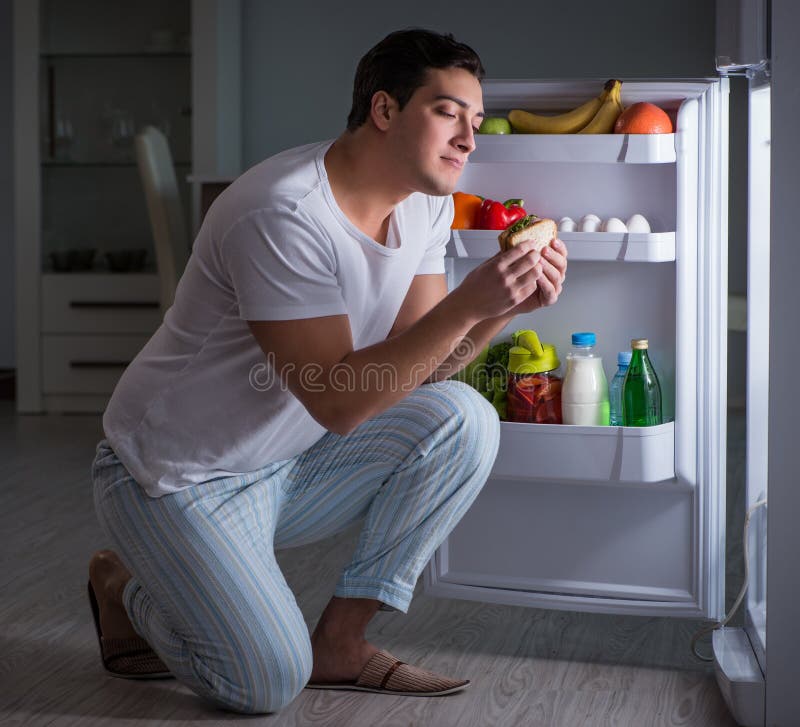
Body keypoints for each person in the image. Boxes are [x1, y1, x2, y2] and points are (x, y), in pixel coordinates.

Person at [87, 28, 567, 714]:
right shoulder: (283, 212)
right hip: (175, 477)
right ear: (383, 111)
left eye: (474, 119)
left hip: (285, 463)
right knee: (265, 682)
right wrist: (470, 300)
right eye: (446, 112)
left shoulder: (425, 203)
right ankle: (125, 584)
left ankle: (343, 640)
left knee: (465, 419)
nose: (469, 138)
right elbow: (340, 403)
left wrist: (502, 309)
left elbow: (422, 367)